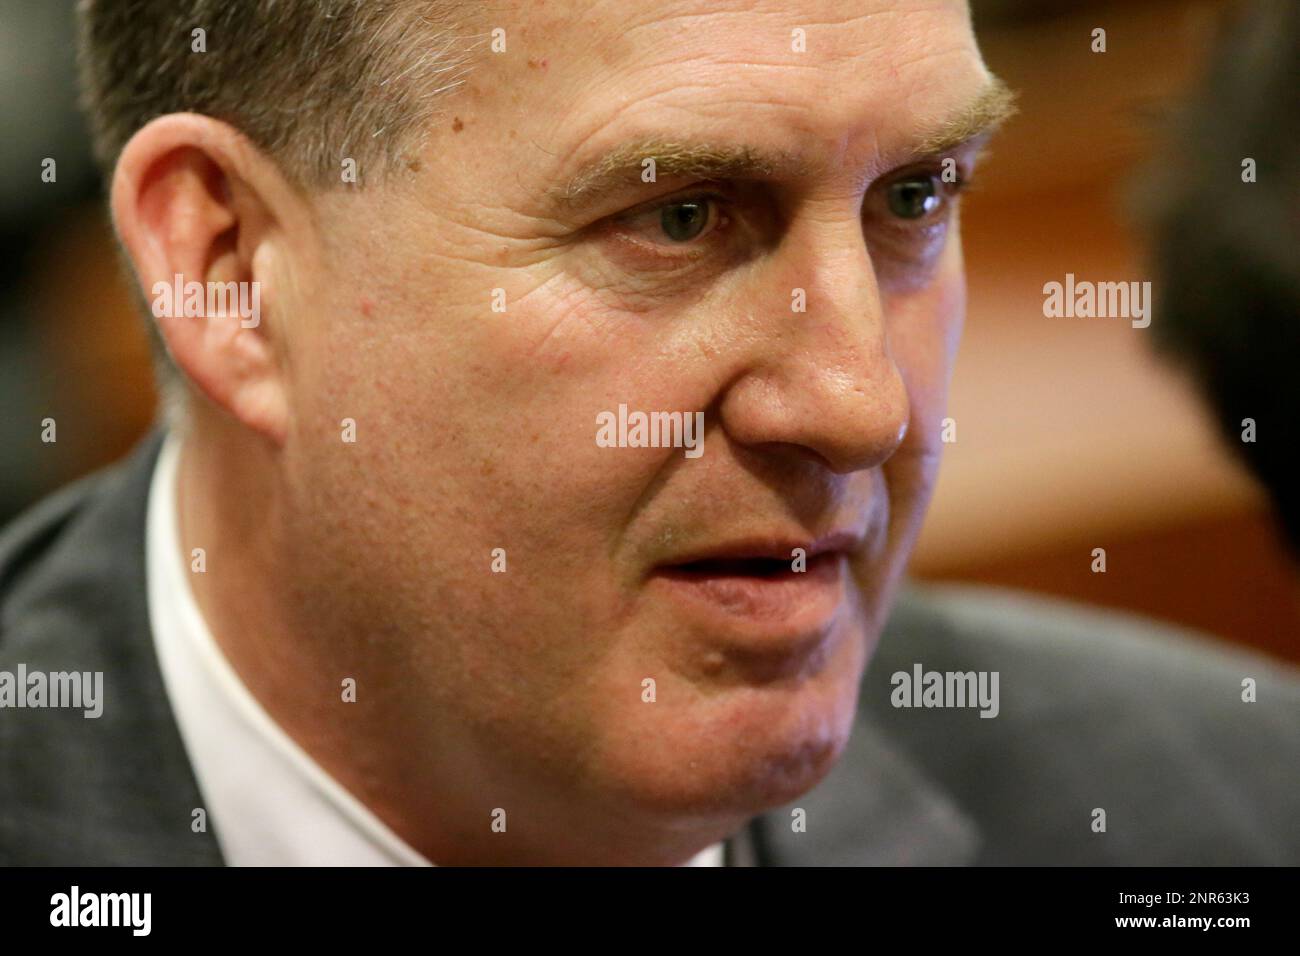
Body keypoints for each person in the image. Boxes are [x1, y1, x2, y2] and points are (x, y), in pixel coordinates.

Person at [0, 0, 1295, 866]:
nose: (862, 406)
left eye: (914, 196)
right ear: (234, 270)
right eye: (682, 218)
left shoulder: (1226, 808)